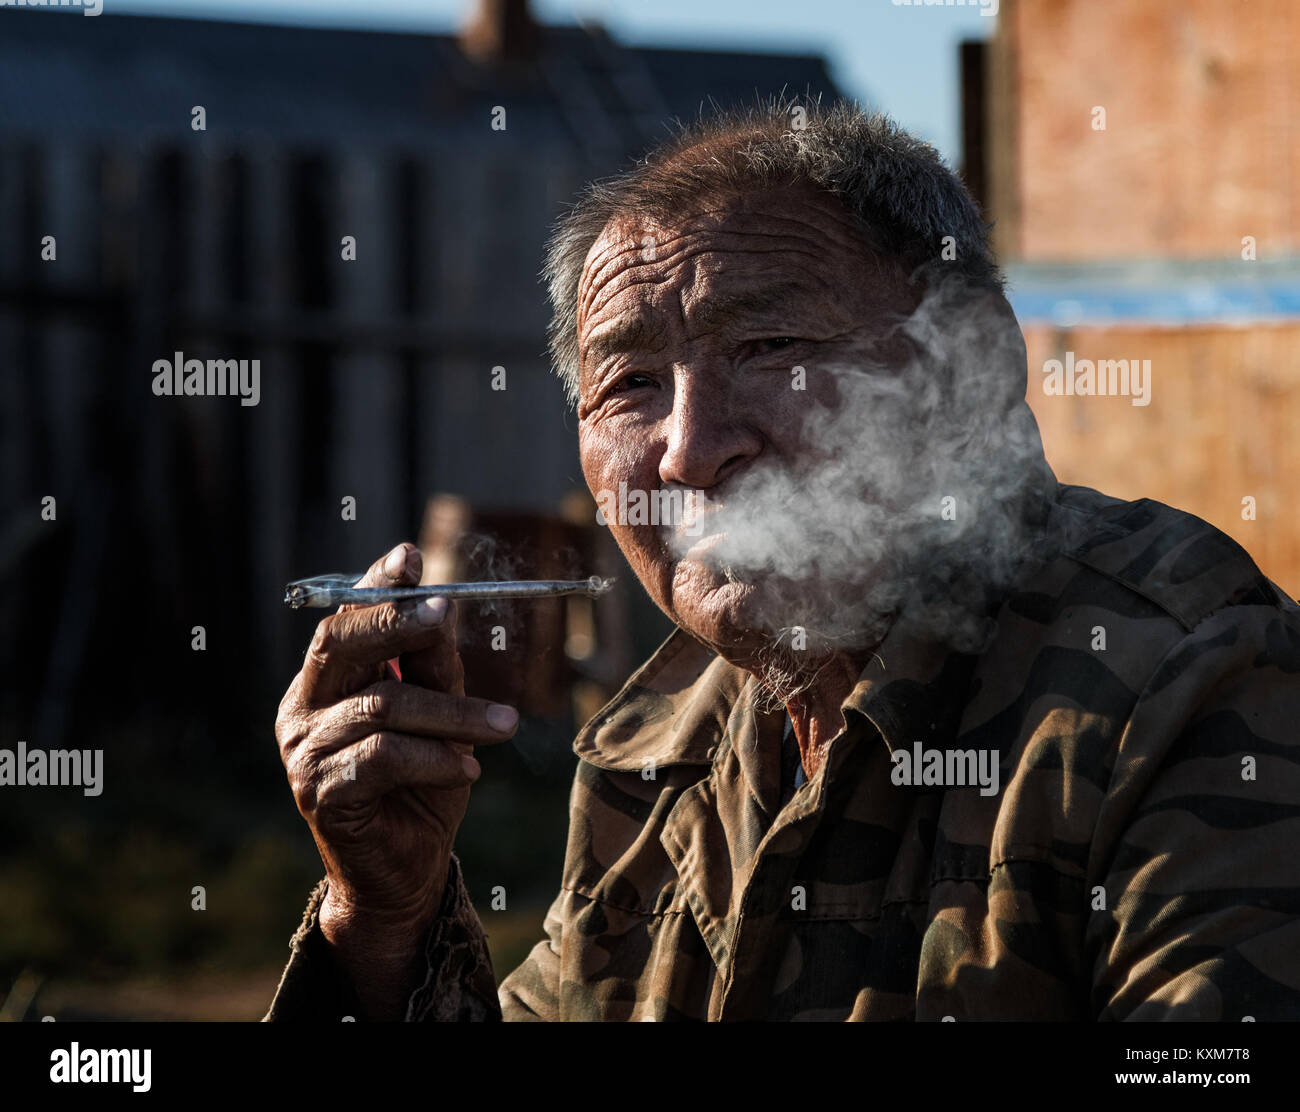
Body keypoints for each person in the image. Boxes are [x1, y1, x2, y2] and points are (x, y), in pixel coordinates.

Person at [264, 103, 1300, 1021]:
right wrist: (385, 915)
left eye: (770, 349)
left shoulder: (1182, 675)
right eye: (628, 383)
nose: (686, 447)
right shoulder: (666, 741)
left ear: (969, 363)